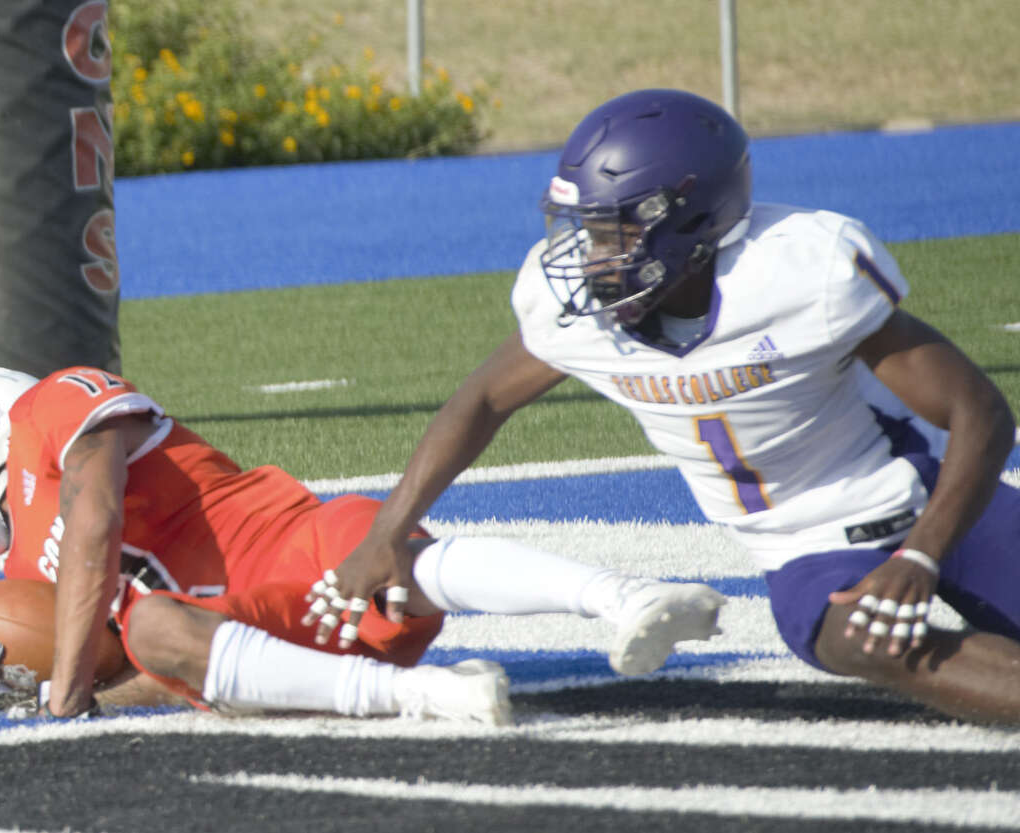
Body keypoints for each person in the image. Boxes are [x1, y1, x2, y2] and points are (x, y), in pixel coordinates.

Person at [307, 88, 1020, 725]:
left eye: (614, 230)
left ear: (691, 222)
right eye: (585, 228)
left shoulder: (800, 277)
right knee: (866, 636)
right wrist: (388, 530)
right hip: (805, 545)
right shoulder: (574, 312)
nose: (589, 256)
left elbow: (980, 411)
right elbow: (482, 399)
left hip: (928, 494)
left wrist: (923, 550)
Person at [0, 359, 725, 721]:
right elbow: (153, 670)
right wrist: (84, 692)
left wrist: (65, 690)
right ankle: (426, 696)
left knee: (399, 552)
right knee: (151, 631)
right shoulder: (30, 564)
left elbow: (97, 511)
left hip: (286, 543)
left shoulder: (48, 408)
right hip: (242, 638)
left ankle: (623, 597)